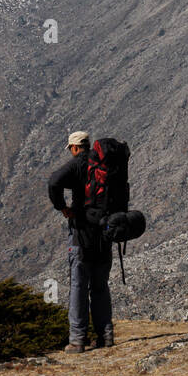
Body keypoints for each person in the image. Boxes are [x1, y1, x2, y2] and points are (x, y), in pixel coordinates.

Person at [47, 130, 114, 353]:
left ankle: (78, 339)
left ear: (75, 148)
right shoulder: (104, 164)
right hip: (104, 233)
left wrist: (62, 207)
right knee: (100, 286)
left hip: (81, 233)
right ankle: (105, 336)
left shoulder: (77, 165)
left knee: (78, 285)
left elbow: (54, 181)